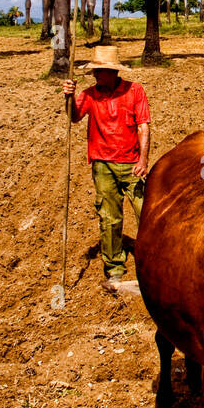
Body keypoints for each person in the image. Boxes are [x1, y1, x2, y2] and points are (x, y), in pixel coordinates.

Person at [63, 45, 150, 289]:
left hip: (133, 164)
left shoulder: (135, 91)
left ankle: (154, 261)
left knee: (147, 215)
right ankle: (114, 268)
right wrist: (68, 96)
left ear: (112, 72)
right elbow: (74, 116)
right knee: (109, 218)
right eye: (94, 70)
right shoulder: (89, 95)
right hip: (103, 165)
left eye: (99, 70)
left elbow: (143, 126)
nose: (95, 75)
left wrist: (143, 159)